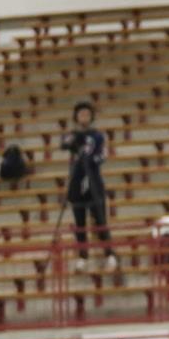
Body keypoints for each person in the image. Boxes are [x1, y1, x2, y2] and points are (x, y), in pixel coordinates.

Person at [64, 101, 115, 271]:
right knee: (79, 222)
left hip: (93, 180)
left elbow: (102, 156)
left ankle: (109, 254)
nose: (84, 117)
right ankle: (82, 257)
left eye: (87, 114)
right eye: (81, 114)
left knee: (100, 219)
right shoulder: (73, 135)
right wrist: (76, 141)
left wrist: (90, 160)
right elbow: (64, 144)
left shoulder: (98, 136)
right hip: (76, 182)